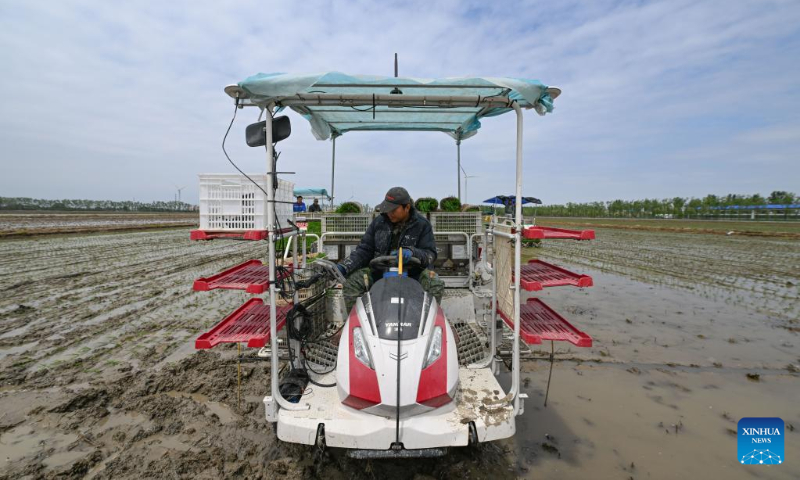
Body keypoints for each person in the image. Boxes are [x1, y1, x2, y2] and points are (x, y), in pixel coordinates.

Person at [337, 187, 444, 311]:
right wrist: (344, 266)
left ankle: (425, 322)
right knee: (352, 284)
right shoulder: (378, 223)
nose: (389, 213)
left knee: (435, 283)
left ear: (407, 207)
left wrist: (412, 252)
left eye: (393, 210)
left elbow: (430, 253)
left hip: (413, 274)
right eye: (387, 209)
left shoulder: (422, 225)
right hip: (379, 273)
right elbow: (364, 250)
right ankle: (360, 323)